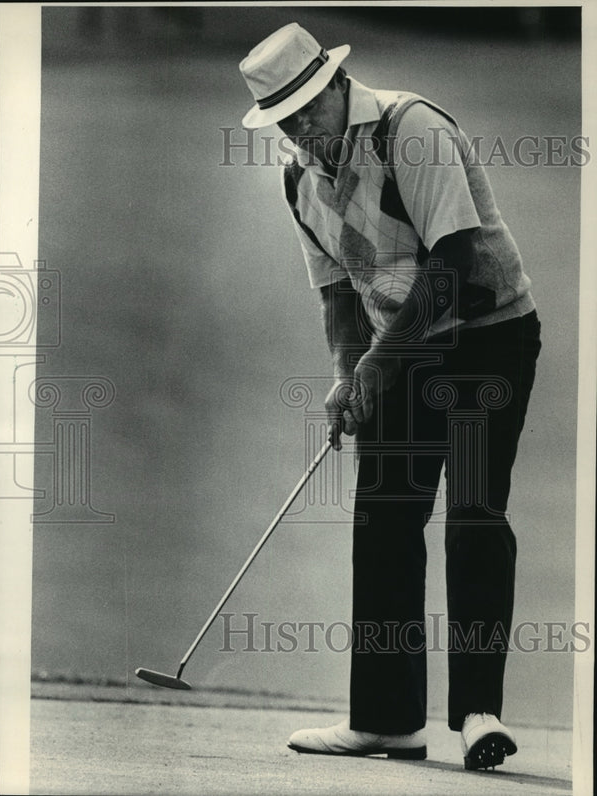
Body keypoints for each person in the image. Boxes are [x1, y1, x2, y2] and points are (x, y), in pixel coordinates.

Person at [239, 22, 541, 771]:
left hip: (484, 338)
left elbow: (452, 268)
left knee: (473, 515)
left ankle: (478, 714)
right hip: (396, 351)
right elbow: (338, 294)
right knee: (383, 524)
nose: (303, 127)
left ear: (340, 86)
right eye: (286, 117)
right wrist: (349, 375)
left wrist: (377, 366)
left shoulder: (413, 129)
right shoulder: (296, 178)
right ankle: (386, 720)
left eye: (310, 106)